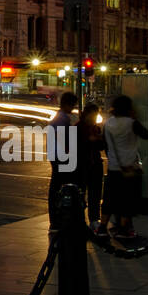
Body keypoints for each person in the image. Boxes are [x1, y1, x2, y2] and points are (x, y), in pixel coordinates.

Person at [102, 95, 148, 239]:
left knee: (109, 198)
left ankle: (102, 227)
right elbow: (146, 135)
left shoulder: (108, 123)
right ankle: (124, 229)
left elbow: (105, 145)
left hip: (113, 167)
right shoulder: (132, 123)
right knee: (127, 199)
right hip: (129, 168)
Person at [46, 91, 78, 229]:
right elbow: (64, 140)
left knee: (56, 186)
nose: (73, 108)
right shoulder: (62, 120)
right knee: (57, 187)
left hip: (55, 156)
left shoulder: (58, 118)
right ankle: (56, 218)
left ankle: (55, 218)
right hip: (60, 157)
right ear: (67, 104)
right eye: (72, 105)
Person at [77, 102, 107, 233]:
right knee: (81, 193)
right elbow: (76, 147)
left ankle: (94, 219)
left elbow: (101, 146)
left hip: (95, 165)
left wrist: (98, 139)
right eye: (94, 115)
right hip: (83, 165)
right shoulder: (78, 128)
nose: (95, 118)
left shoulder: (96, 128)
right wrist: (90, 140)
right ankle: (80, 220)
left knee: (95, 194)